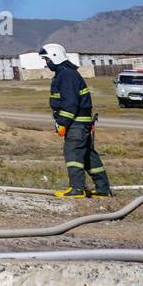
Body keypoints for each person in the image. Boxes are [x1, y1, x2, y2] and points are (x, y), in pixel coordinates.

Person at [39, 42, 112, 197]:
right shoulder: (65, 73)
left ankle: (77, 189)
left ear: (55, 57)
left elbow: (70, 103)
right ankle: (103, 189)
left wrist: (63, 123)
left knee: (72, 153)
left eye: (47, 60)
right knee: (87, 156)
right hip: (80, 123)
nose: (47, 63)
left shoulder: (66, 75)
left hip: (76, 124)